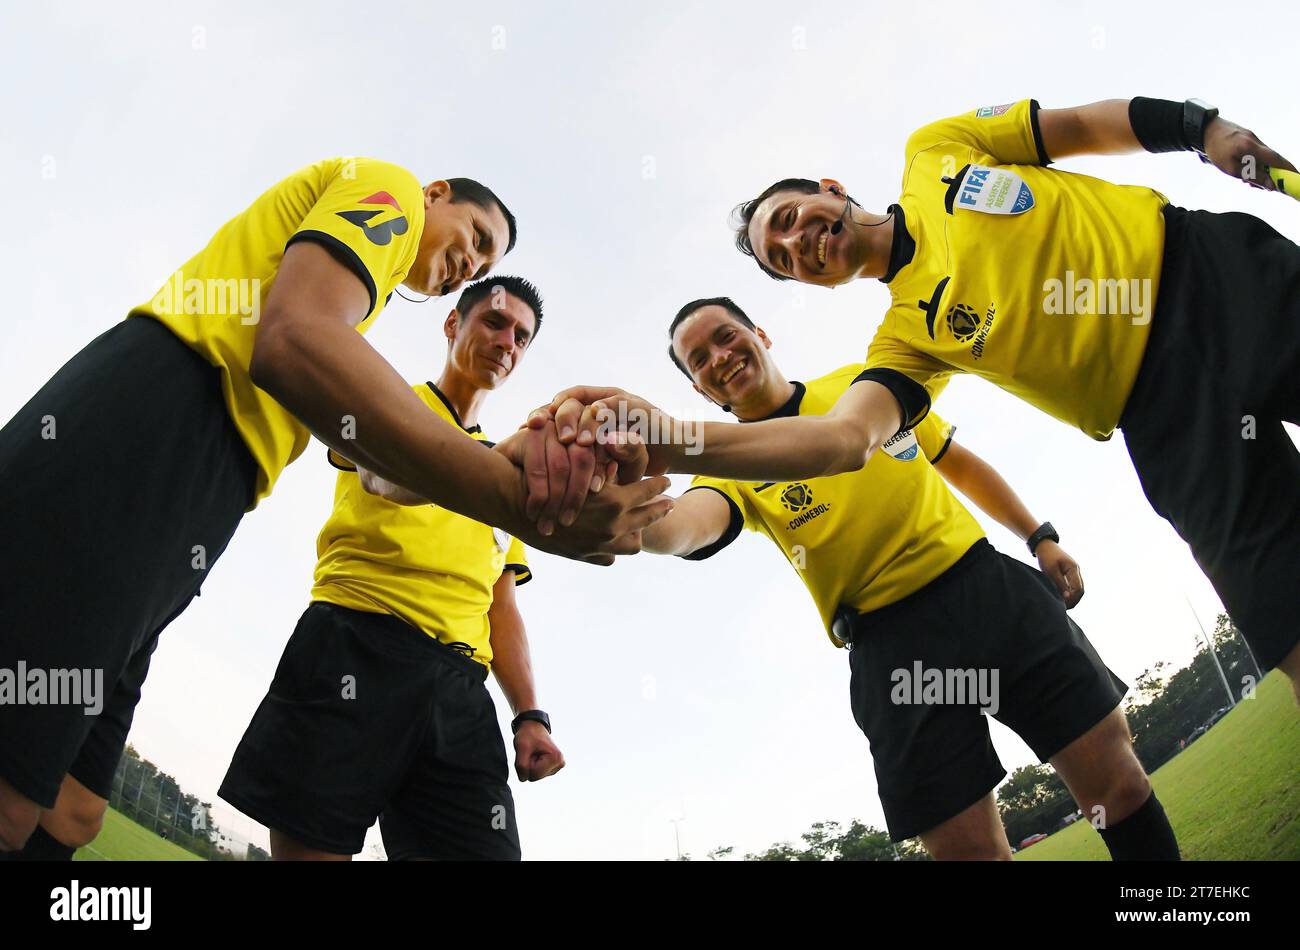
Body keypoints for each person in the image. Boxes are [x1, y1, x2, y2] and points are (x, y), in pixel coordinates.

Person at [0, 157, 668, 860]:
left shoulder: (367, 327)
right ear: (435, 194)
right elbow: (297, 341)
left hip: (214, 486)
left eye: (483, 262)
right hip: (160, 422)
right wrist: (511, 493)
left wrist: (528, 705)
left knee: (72, 811)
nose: (468, 261)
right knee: (14, 789)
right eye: (473, 235)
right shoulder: (391, 193)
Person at [722, 97, 1300, 701]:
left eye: (789, 217)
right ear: (816, 284)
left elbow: (1078, 127)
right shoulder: (902, 345)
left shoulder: (933, 151)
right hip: (1162, 418)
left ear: (831, 189)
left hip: (1207, 274)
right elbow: (842, 440)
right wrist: (668, 445)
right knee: (1280, 611)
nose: (798, 241)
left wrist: (1201, 129)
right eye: (784, 258)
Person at [637, 297, 1177, 860]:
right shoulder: (725, 469)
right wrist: (632, 519)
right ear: (699, 390)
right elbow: (687, 525)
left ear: (761, 333)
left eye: (725, 336)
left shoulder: (859, 388)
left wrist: (1039, 536)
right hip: (894, 652)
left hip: (985, 589)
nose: (719, 357)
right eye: (698, 359)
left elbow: (955, 460)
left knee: (1117, 787)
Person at [220, 276, 562, 860]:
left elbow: (501, 604)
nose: (508, 342)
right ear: (453, 324)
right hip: (356, 646)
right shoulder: (387, 400)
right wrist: (484, 466)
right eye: (494, 323)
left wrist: (530, 715)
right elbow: (380, 473)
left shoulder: (507, 478)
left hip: (461, 692)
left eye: (522, 337)